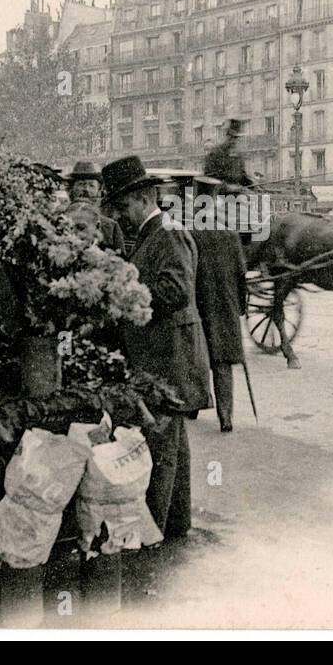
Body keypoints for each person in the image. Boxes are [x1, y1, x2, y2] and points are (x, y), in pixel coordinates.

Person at [102, 156, 211, 539]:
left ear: (145, 197)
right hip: (167, 355)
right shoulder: (154, 234)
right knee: (175, 449)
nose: (121, 216)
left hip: (170, 358)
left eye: (124, 207)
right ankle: (176, 525)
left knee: (160, 448)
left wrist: (127, 297)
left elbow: (177, 291)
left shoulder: (168, 233)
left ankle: (152, 536)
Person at [189, 177, 247, 432]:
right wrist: (240, 307)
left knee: (196, 359)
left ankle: (193, 406)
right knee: (222, 364)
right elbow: (241, 276)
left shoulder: (188, 234)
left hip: (198, 306)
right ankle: (226, 417)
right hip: (225, 308)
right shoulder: (230, 236)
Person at [63, 160, 126, 253]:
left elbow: (122, 264)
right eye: (81, 184)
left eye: (91, 185)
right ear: (71, 189)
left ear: (99, 191)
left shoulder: (111, 227)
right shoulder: (59, 221)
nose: (86, 190)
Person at [202, 119, 253, 189]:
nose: (234, 141)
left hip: (237, 195)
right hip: (219, 196)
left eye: (236, 138)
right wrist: (226, 187)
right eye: (231, 137)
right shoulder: (214, 154)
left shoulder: (238, 155)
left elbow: (242, 177)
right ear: (225, 136)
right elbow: (208, 179)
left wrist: (253, 185)